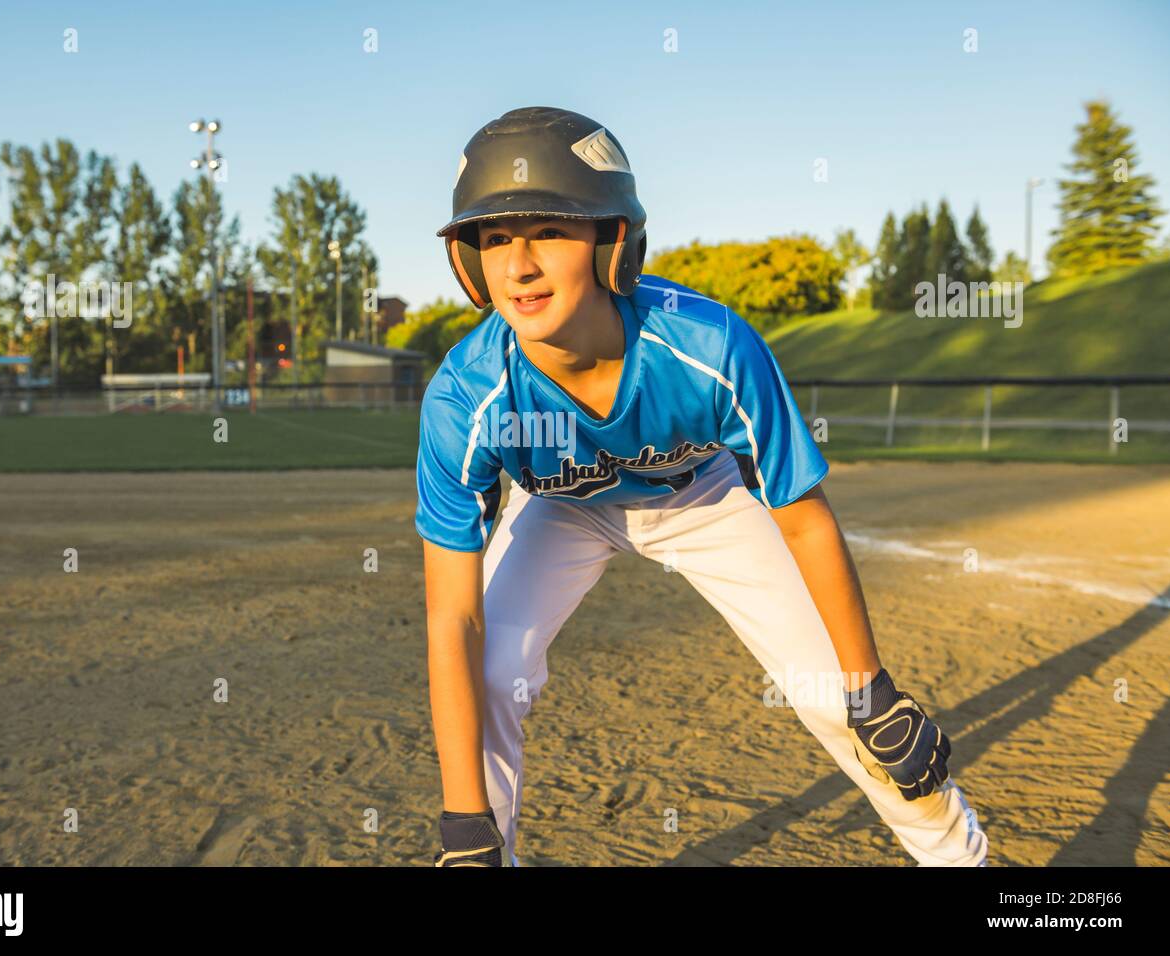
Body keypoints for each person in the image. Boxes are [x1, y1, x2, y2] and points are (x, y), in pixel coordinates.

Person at [417, 106, 988, 867]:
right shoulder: (467, 395)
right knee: (492, 673)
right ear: (468, 263)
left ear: (613, 241)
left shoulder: (707, 344)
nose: (518, 265)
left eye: (550, 231)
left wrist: (872, 687)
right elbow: (453, 617)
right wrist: (462, 820)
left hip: (700, 496)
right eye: (493, 239)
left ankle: (960, 859)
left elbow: (804, 517)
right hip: (562, 510)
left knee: (834, 694)